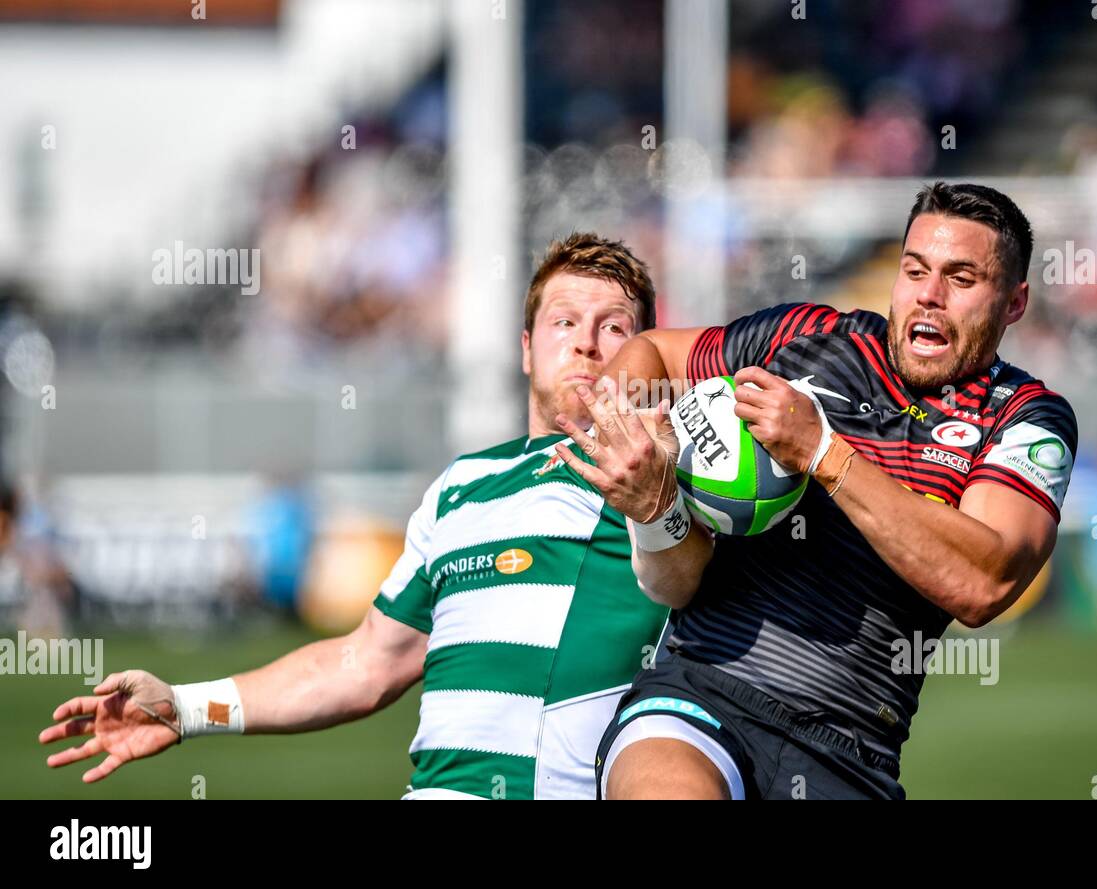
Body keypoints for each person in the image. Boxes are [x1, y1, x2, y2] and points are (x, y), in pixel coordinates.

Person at [39, 232, 669, 800]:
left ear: (648, 353)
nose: (586, 341)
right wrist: (185, 707)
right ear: (528, 350)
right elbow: (366, 663)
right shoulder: (460, 487)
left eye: (614, 327)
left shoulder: (672, 473)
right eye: (564, 321)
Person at [559, 182, 1078, 799]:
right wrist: (637, 431)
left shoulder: (1024, 416)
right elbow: (652, 355)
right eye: (915, 271)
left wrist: (822, 452)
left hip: (852, 750)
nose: (929, 297)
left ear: (1014, 302)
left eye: (961, 279)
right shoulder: (810, 335)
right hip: (698, 696)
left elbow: (983, 582)